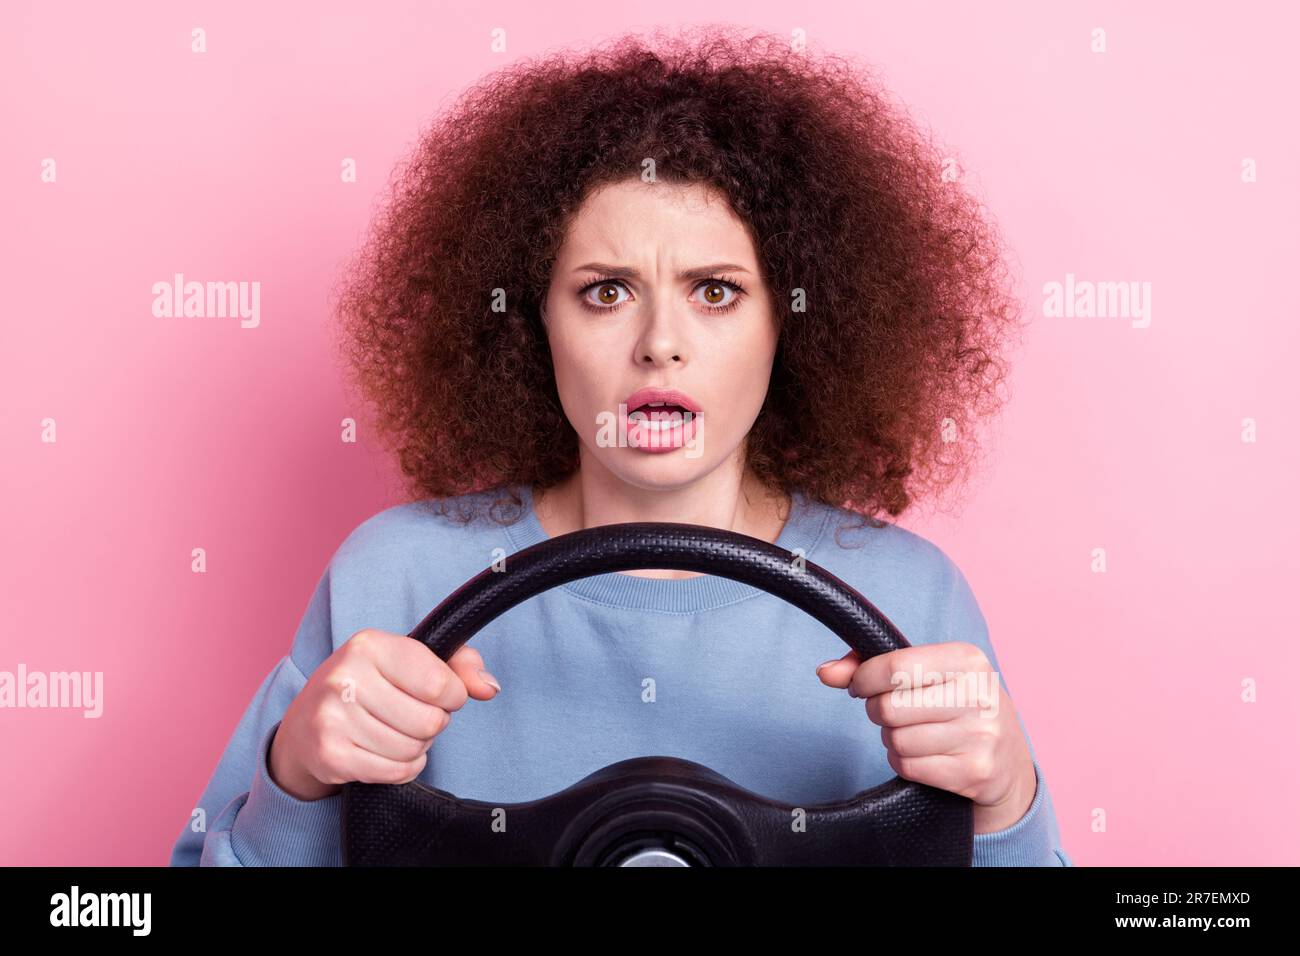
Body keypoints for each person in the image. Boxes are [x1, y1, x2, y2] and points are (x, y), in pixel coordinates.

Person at [170, 26, 1070, 866]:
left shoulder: (911, 594)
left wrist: (1004, 800)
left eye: (716, 292)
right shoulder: (393, 578)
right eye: (605, 292)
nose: (658, 343)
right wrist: (295, 778)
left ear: (792, 325)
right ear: (533, 324)